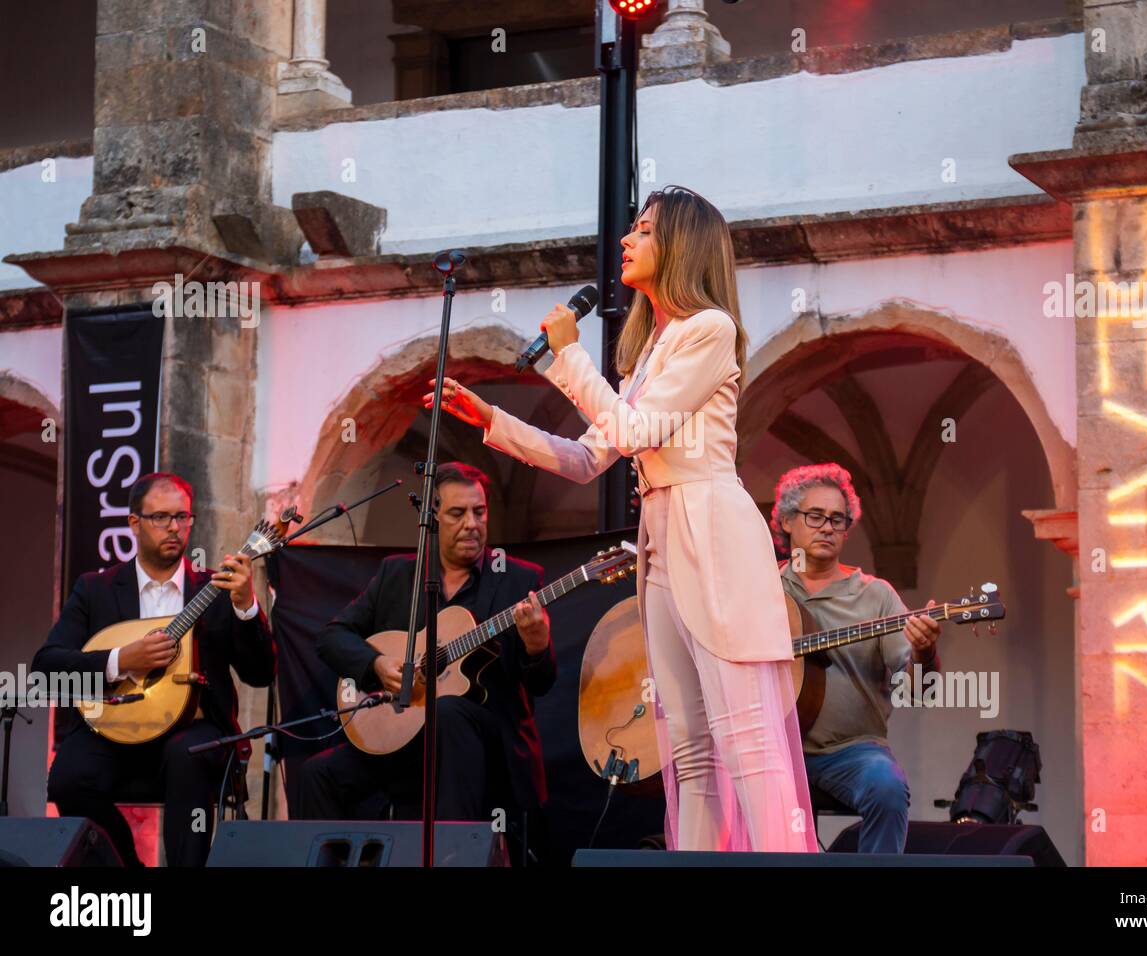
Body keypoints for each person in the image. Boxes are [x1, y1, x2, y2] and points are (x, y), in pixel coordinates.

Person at [429, 185, 816, 852]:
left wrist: (569, 354)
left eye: (643, 230)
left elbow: (636, 432)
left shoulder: (709, 330)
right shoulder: (653, 350)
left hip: (712, 531)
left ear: (682, 246)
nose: (626, 241)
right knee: (688, 750)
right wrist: (494, 421)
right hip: (662, 539)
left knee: (746, 739)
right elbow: (587, 458)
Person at [298, 462, 556, 836]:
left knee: (447, 710)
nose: (471, 523)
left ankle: (450, 855)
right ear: (433, 517)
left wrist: (537, 645)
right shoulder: (397, 574)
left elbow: (541, 683)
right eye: (457, 513)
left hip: (485, 746)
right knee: (316, 775)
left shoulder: (519, 579)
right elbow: (332, 637)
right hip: (404, 737)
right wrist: (376, 664)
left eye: (479, 512)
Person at [33, 472, 274, 866]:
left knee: (188, 756)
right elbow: (46, 669)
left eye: (182, 517)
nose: (174, 527)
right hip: (115, 726)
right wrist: (120, 660)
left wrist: (246, 607)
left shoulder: (215, 590)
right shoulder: (95, 589)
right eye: (160, 517)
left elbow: (260, 673)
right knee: (67, 779)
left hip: (191, 729)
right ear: (134, 522)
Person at [771, 463, 941, 853]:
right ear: (787, 521)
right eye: (815, 516)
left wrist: (924, 651)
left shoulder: (875, 595)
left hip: (850, 750)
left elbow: (919, 692)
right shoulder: (763, 589)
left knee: (887, 787)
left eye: (838, 519)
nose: (827, 527)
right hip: (773, 749)